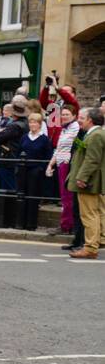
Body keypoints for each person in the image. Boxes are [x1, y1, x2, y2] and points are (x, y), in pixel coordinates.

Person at [68, 107, 104, 258]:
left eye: (82, 118)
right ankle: (98, 240)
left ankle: (90, 248)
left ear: (90, 119)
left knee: (89, 214)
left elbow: (92, 160)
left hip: (89, 182)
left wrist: (82, 177)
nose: (79, 120)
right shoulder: (93, 134)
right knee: (97, 213)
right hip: (93, 180)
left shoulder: (95, 135)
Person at [48, 105, 80, 234]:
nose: (64, 116)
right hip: (61, 164)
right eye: (63, 114)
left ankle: (67, 226)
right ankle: (67, 224)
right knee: (64, 197)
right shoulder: (64, 129)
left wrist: (68, 161)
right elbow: (58, 149)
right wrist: (50, 165)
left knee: (67, 197)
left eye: (67, 114)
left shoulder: (76, 128)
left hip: (68, 164)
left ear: (74, 116)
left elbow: (75, 148)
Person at [0, 94, 31, 191]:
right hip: (16, 158)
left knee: (8, 187)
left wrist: (2, 132)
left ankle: (10, 206)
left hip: (9, 159)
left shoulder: (14, 126)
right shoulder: (26, 123)